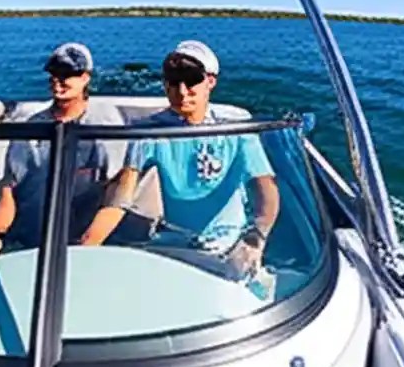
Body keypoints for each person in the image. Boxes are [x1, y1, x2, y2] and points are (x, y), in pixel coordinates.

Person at [80, 40, 279, 279]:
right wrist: (86, 248)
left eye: (192, 80)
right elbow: (121, 197)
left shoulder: (237, 129)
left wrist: (255, 238)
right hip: (177, 244)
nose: (182, 92)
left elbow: (266, 189)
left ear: (210, 82)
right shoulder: (149, 132)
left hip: (230, 246)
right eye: (174, 82)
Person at [0, 42, 126, 257]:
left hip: (83, 248)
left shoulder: (107, 126)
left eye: (67, 74)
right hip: (26, 243)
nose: (58, 80)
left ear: (85, 78)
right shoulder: (30, 127)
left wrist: (87, 247)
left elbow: (116, 192)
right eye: (54, 73)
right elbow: (9, 190)